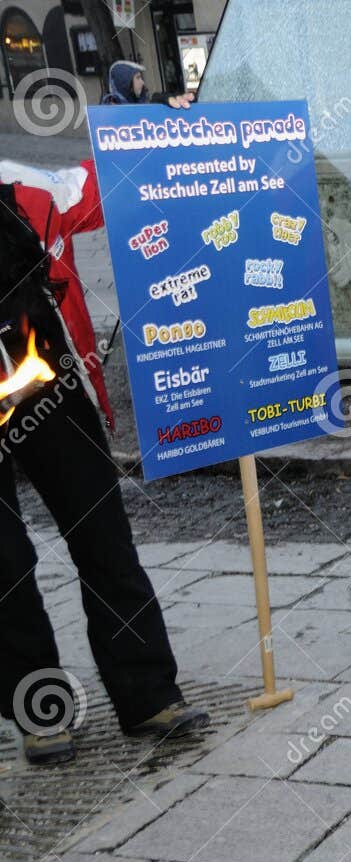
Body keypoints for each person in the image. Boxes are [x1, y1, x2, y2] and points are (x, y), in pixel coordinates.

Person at [0, 161, 208, 765]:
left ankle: (147, 695)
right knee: (5, 564)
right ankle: (41, 713)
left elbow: (110, 179)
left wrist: (162, 129)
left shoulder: (24, 189)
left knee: (105, 538)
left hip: (46, 388)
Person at [101, 60, 193, 109]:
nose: (142, 82)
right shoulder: (108, 111)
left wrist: (161, 103)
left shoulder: (141, 102)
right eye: (138, 78)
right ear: (125, 82)